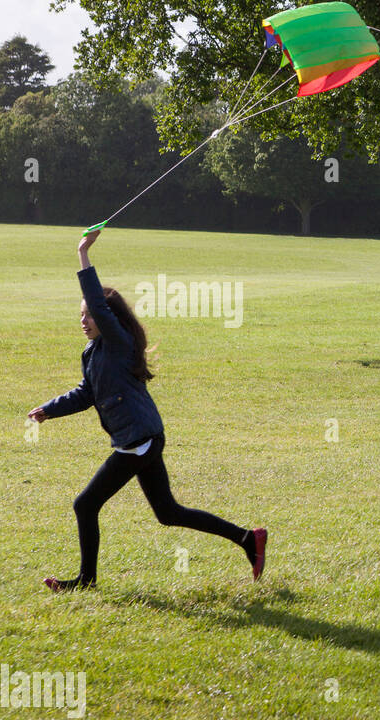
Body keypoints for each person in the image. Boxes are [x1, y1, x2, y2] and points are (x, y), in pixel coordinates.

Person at [28, 230, 266, 591]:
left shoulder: (117, 341)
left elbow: (96, 298)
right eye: (81, 315)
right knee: (168, 512)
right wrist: (49, 409)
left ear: (106, 318)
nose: (84, 320)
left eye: (91, 314)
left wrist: (83, 253)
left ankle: (87, 581)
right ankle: (249, 539)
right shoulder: (92, 354)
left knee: (85, 504)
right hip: (142, 438)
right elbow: (85, 393)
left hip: (138, 440)